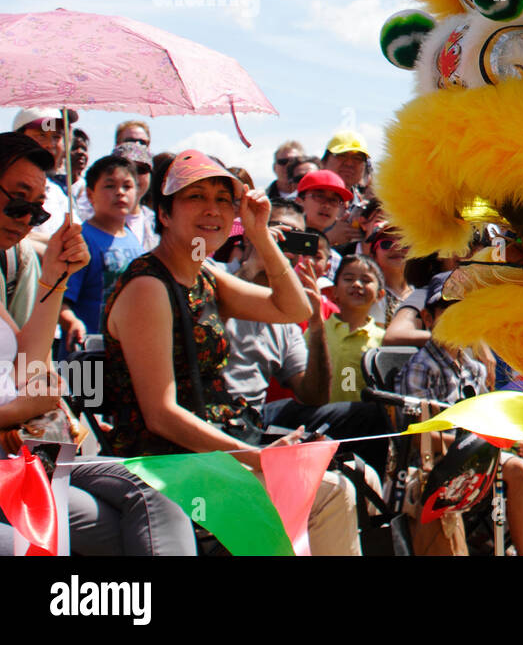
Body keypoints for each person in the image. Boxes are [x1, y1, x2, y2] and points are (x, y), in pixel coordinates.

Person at [101, 150, 364, 555]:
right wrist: (256, 457)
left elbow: (292, 309)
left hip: (215, 451)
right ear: (165, 213)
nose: (213, 210)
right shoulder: (148, 287)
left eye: (224, 199)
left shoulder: (203, 274)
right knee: (327, 493)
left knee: (335, 486)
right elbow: (161, 413)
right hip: (164, 462)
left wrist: (261, 236)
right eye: (196, 197)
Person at [0, 130, 196, 556]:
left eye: (36, 210)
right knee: (116, 524)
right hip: (10, 458)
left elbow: (26, 367)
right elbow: (26, 392)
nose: (26, 217)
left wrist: (55, 276)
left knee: (161, 496)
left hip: (26, 456)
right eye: (17, 199)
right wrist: (18, 410)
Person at [397, 290, 523, 555]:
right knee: (522, 472)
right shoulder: (421, 367)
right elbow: (419, 436)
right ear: (428, 318)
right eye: (448, 312)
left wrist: (519, 440)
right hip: (446, 457)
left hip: (487, 449)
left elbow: (491, 417)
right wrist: (495, 446)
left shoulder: (475, 367)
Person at [224, 200, 391, 473]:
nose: (287, 245)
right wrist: (253, 265)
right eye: (279, 233)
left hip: (255, 417)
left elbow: (313, 396)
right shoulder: (216, 276)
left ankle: (372, 508)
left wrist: (315, 325)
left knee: (369, 417)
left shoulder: (286, 311)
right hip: (210, 416)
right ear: (250, 233)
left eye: (298, 238)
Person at [58, 155, 144, 357]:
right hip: (86, 353)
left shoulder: (134, 239)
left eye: (127, 186)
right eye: (110, 186)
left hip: (126, 353)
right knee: (85, 390)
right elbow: (59, 299)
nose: (120, 193)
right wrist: (71, 321)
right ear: (90, 194)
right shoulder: (81, 240)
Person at [321, 255, 386, 403]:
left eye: (366, 280)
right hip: (318, 420)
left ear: (380, 295)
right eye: (349, 279)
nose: (357, 284)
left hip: (362, 422)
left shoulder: (383, 340)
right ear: (334, 291)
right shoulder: (319, 332)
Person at [12, 108, 76, 255]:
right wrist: (55, 247)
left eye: (57, 137)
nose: (50, 144)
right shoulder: (6, 186)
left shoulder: (57, 193)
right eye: (41, 135)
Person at [297, 169, 349, 278]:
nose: (327, 205)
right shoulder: (279, 239)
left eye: (334, 200)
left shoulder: (336, 260)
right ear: (299, 201)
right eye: (319, 196)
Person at [364, 228, 410, 326]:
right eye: (387, 243)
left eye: (405, 243)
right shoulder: (372, 294)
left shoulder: (423, 293)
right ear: (373, 256)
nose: (397, 247)